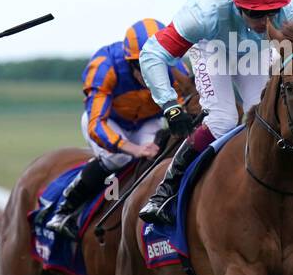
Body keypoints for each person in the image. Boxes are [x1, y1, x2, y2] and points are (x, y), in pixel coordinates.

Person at [137, 0, 293, 225]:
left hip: (253, 50)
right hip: (212, 45)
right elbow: (152, 54)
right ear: (237, 5)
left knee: (267, 117)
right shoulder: (204, 13)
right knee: (223, 119)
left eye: (271, 13)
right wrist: (170, 105)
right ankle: (166, 190)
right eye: (255, 14)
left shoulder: (291, 12)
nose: (265, 22)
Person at [44, 19, 191, 240]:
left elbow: (183, 109)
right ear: (130, 62)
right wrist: (130, 148)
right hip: (108, 121)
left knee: (160, 158)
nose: (151, 72)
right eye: (143, 66)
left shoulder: (177, 69)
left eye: (157, 64)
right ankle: (65, 209)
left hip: (147, 122)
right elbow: (96, 123)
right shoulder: (105, 66)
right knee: (118, 159)